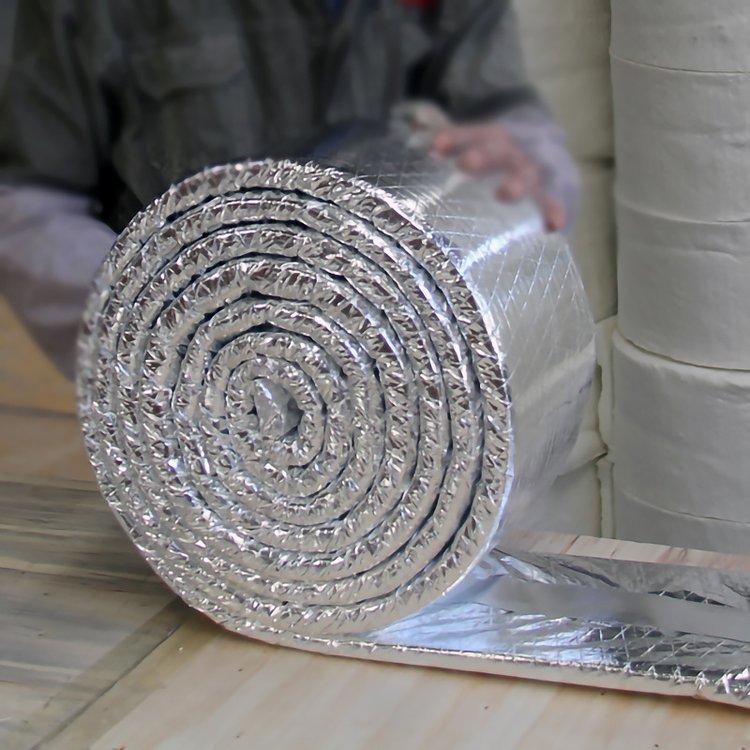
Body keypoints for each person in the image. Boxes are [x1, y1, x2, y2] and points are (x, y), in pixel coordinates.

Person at [0, 0, 579, 378]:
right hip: (191, 416)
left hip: (404, 377)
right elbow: (30, 200)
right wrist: (164, 342)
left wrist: (523, 171)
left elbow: (510, 123)